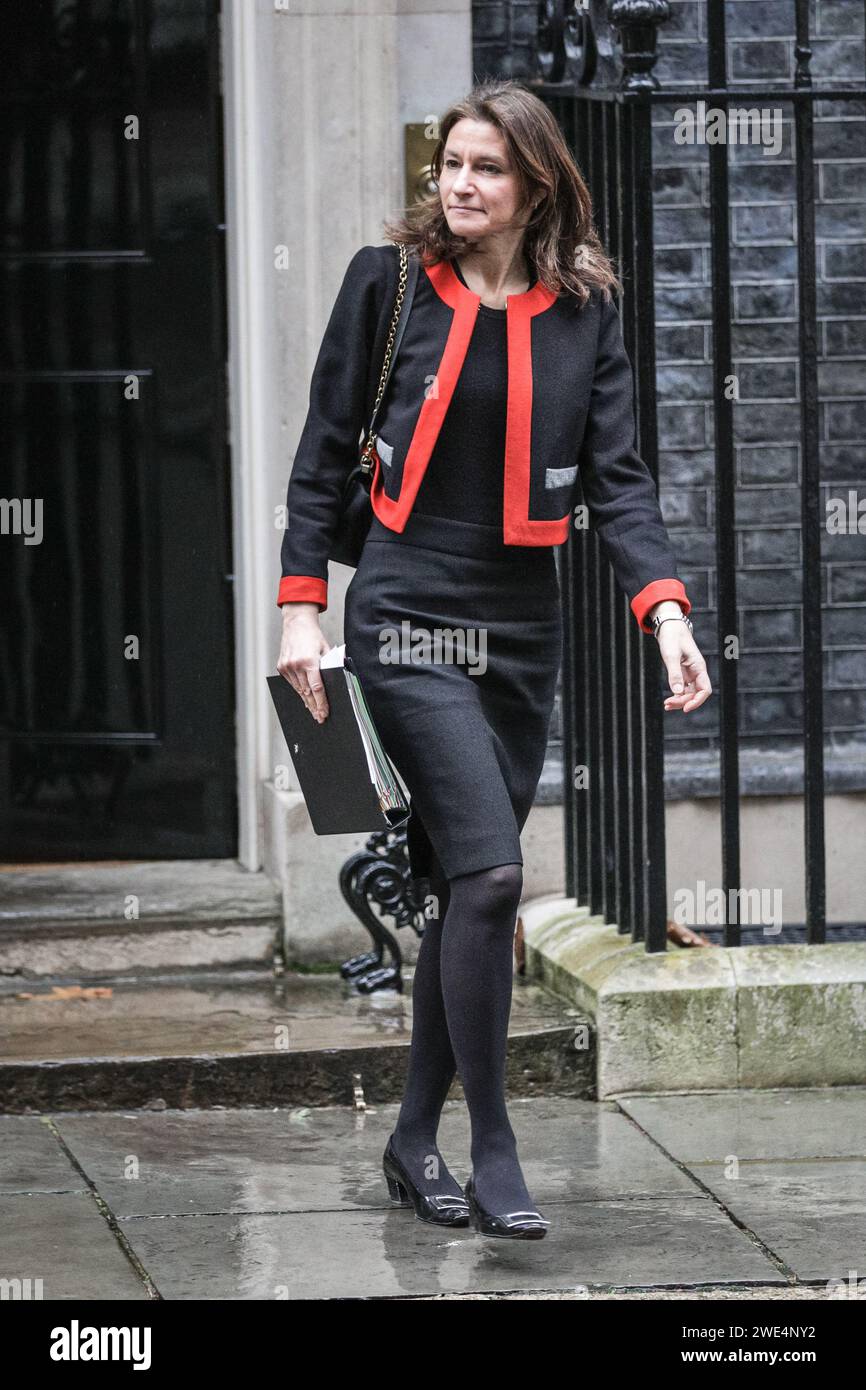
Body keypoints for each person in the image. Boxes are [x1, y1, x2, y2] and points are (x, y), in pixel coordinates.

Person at [276, 80, 712, 1239]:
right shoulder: (386, 288)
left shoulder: (583, 315)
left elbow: (617, 483)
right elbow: (322, 455)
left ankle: (411, 1137)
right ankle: (493, 1144)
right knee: (493, 874)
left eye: (485, 170)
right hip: (409, 612)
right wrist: (299, 610)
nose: (458, 185)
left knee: (459, 889)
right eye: (448, 165)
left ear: (535, 187)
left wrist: (663, 611)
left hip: (521, 626)